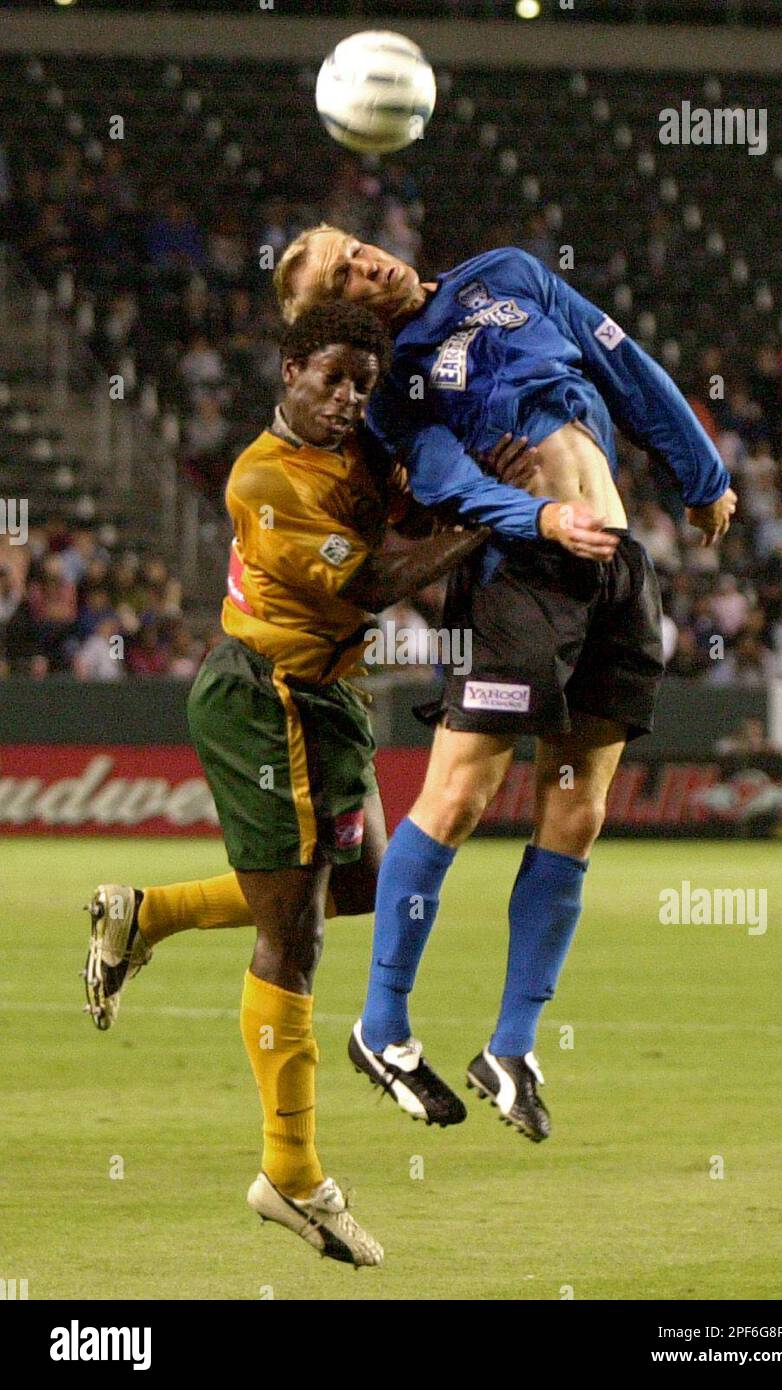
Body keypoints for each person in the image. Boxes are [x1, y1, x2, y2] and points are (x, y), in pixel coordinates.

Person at [270, 225, 737, 1142]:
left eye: (361, 251)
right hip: (518, 574)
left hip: (615, 566)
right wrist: (539, 516)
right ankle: (384, 1024)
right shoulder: (391, 392)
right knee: (462, 793)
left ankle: (513, 1043)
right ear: (343, 316)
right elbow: (447, 481)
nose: (370, 265)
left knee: (579, 810)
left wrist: (700, 468)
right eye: (346, 278)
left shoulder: (513, 273)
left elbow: (622, 359)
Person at [83, 302, 494, 1268]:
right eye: (334, 378)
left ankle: (145, 916)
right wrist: (493, 518)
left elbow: (405, 505)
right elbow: (376, 581)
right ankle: (293, 1174)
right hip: (271, 700)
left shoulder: (353, 450)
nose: (350, 398)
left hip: (329, 695)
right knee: (293, 934)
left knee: (360, 885)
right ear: (290, 370)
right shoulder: (263, 481)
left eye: (364, 381)